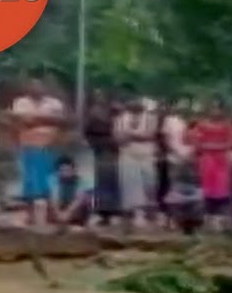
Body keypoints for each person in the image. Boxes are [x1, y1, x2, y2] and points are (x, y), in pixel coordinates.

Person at [9, 79, 68, 226]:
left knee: (49, 181)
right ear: (28, 88)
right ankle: (30, 215)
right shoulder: (20, 102)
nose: (36, 88)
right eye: (33, 85)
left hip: (49, 146)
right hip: (28, 146)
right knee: (30, 181)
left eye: (39, 85)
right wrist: (47, 120)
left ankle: (50, 214)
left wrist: (35, 120)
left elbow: (61, 121)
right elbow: (20, 121)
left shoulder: (54, 103)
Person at [189, 98, 232, 232]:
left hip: (221, 161)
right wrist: (205, 146)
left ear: (222, 111)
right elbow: (192, 139)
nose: (215, 111)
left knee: (222, 188)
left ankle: (219, 219)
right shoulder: (201, 125)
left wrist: (217, 146)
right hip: (207, 161)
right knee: (206, 188)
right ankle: (207, 218)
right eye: (212, 108)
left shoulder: (227, 126)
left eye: (218, 108)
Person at [114, 97, 160, 229]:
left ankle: (148, 214)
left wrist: (130, 136)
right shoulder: (121, 118)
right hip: (127, 154)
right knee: (130, 184)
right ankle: (134, 215)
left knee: (149, 183)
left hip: (146, 154)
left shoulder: (150, 118)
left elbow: (150, 135)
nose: (135, 105)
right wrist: (133, 137)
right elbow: (118, 137)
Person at [161, 102, 203, 234]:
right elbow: (165, 139)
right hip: (175, 159)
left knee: (194, 192)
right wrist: (179, 153)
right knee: (175, 191)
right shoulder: (171, 121)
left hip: (193, 161)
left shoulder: (197, 124)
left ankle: (191, 222)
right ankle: (173, 220)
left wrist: (192, 155)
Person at [84, 95, 122, 227]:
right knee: (105, 181)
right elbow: (88, 133)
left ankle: (113, 211)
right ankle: (105, 213)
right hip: (103, 150)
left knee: (114, 181)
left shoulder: (117, 117)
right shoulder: (96, 115)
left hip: (115, 150)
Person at [50, 155, 92, 227]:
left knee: (86, 198)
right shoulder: (55, 180)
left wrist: (68, 212)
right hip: (62, 207)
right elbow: (54, 198)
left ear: (74, 170)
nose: (65, 173)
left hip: (74, 208)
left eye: (68, 170)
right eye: (62, 171)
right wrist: (59, 213)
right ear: (58, 172)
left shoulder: (81, 181)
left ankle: (82, 223)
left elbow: (79, 199)